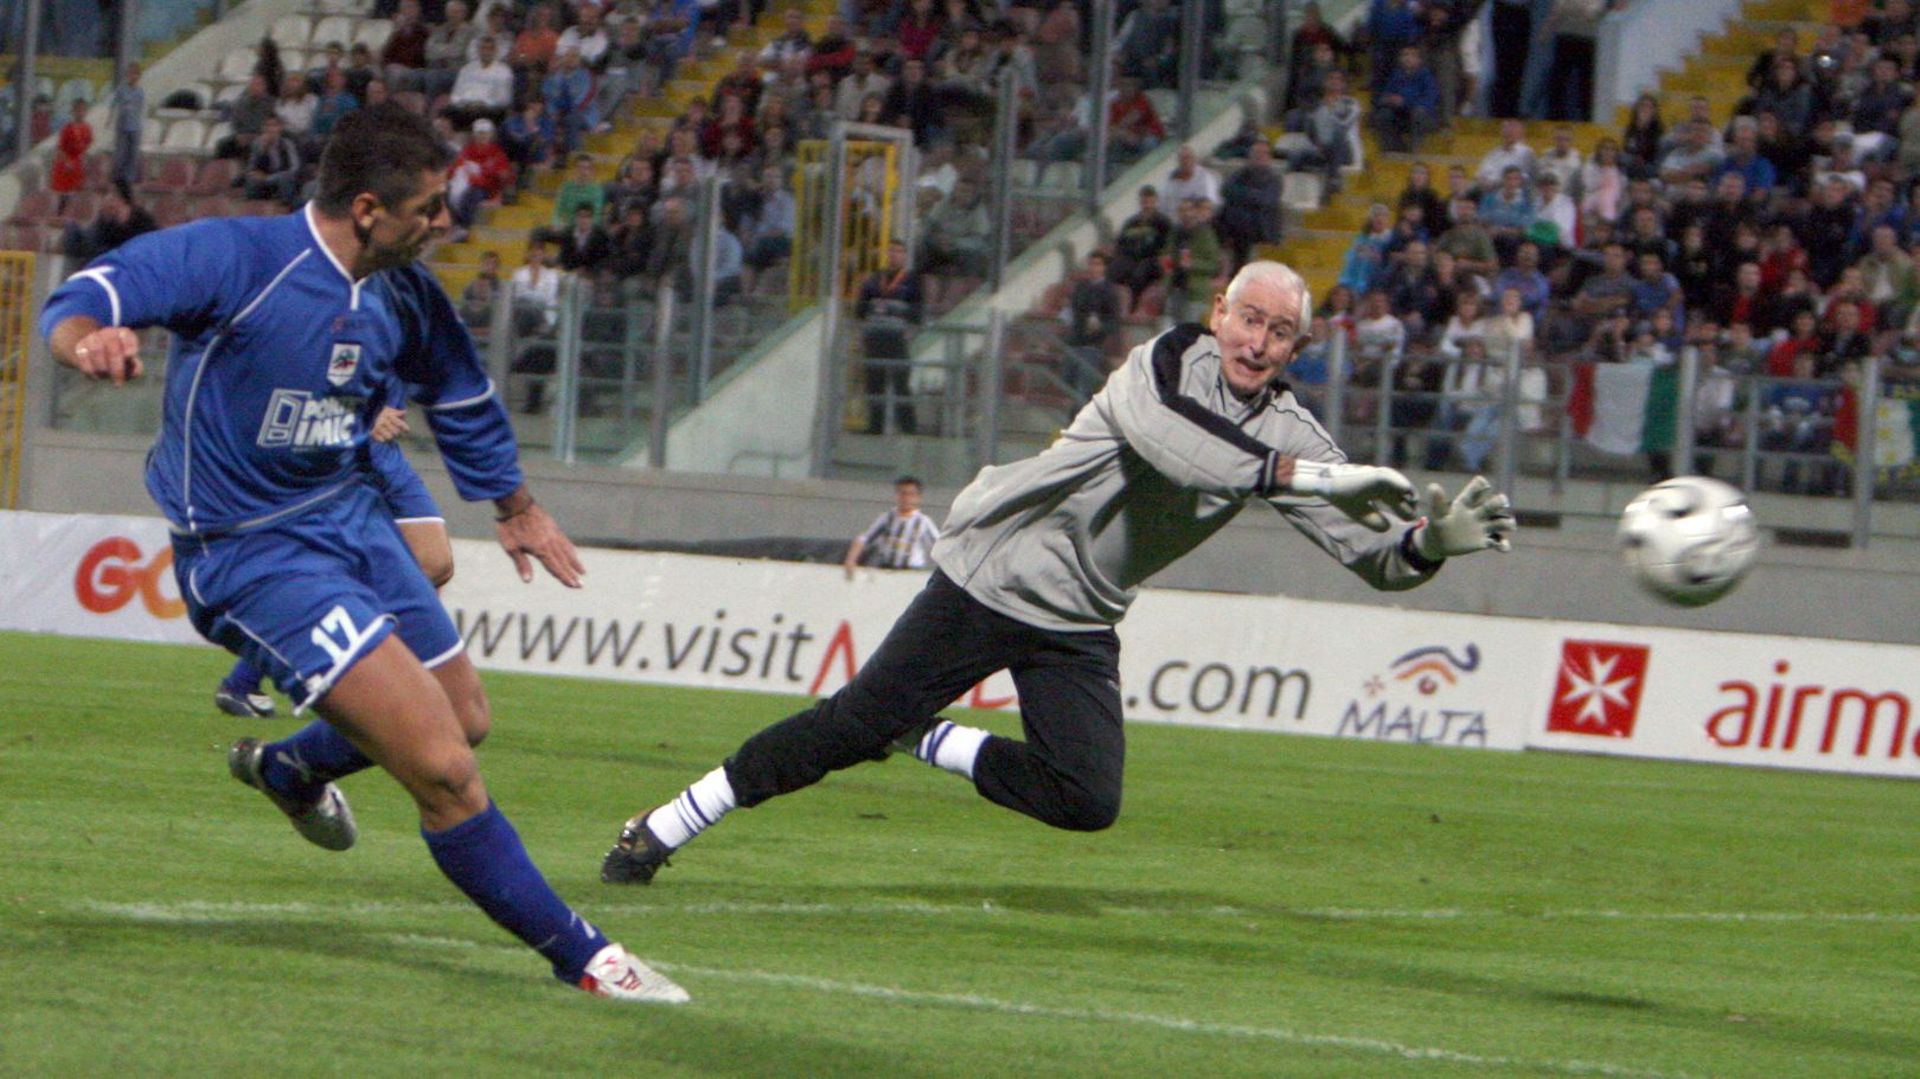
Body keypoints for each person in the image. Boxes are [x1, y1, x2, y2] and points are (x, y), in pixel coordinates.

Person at [38, 105, 686, 1003]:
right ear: (371, 207)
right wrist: (88, 344)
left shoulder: (406, 291)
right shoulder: (238, 258)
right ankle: (588, 959)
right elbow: (84, 301)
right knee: (445, 770)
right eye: (431, 208)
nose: (446, 225)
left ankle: (291, 766)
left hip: (349, 517)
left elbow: (460, 396)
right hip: (251, 550)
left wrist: (517, 507)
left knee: (464, 717)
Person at [599, 260, 1514, 885]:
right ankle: (665, 825)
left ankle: (933, 739)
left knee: (1087, 799)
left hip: (1079, 618)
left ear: (1294, 350)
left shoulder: (1293, 438)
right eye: (1249, 318)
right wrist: (1308, 476)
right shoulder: (1160, 364)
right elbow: (1187, 452)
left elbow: (1377, 559)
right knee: (847, 727)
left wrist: (1432, 543)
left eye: (1280, 332)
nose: (1259, 340)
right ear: (1218, 314)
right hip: (993, 574)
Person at [214, 395, 452, 717]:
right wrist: (366, 414)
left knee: (434, 564)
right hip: (342, 450)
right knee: (386, 571)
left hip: (385, 453)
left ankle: (245, 680)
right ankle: (396, 690)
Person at [855, 239, 924, 434]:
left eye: (899, 251)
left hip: (896, 338)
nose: (895, 255)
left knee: (901, 382)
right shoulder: (874, 279)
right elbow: (860, 308)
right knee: (874, 383)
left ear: (905, 256)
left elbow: (917, 312)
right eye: (892, 251)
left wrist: (910, 331)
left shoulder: (911, 281)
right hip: (875, 337)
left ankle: (909, 428)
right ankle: (875, 426)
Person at [841, 475, 940, 578]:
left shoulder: (923, 522)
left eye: (911, 494)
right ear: (897, 495)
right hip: (886, 570)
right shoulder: (887, 518)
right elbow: (864, 539)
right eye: (903, 493)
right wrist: (851, 559)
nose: (906, 498)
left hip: (911, 572)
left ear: (918, 497)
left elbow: (940, 544)